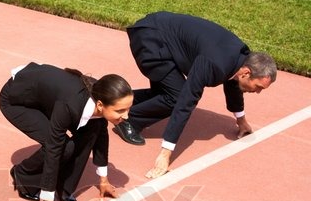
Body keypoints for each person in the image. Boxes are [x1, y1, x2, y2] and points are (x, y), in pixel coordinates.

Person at [114, 11, 277, 178]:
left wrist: (241, 120)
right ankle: (128, 120)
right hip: (150, 40)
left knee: (166, 93)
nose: (258, 92)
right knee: (176, 97)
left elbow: (233, 82)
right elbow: (186, 101)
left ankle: (114, 99)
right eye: (258, 87)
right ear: (246, 73)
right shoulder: (215, 63)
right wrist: (165, 153)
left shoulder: (241, 59)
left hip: (161, 37)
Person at [0, 63, 133, 201]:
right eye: (120, 110)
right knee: (62, 145)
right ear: (100, 105)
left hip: (47, 97)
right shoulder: (69, 104)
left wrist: (104, 180)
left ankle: (63, 186)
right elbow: (54, 148)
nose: (126, 116)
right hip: (18, 100)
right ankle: (22, 175)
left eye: (128, 109)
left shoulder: (101, 93)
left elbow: (101, 135)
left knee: (92, 130)